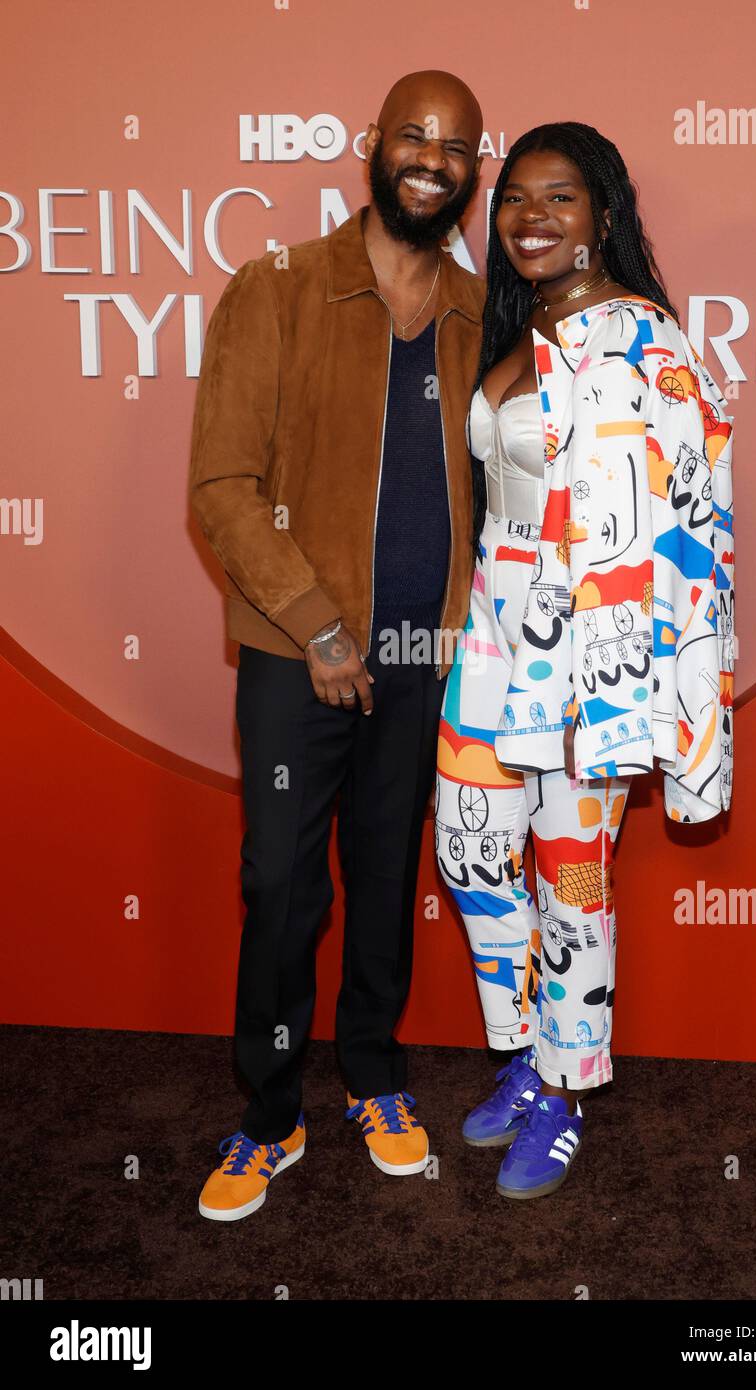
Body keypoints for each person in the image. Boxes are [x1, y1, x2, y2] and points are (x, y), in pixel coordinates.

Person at [189, 70, 486, 1221]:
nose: (430, 156)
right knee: (278, 885)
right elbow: (221, 484)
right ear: (371, 145)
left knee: (382, 877)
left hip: (423, 659)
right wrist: (316, 623)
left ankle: (372, 1076)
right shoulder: (276, 289)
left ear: (472, 169)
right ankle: (266, 1114)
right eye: (412, 133)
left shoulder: (474, 315)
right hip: (291, 649)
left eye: (454, 145)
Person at [434, 122, 735, 1200]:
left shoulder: (643, 339)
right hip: (488, 633)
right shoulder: (508, 331)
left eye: (558, 198)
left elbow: (694, 516)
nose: (530, 218)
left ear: (602, 213)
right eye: (513, 198)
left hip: (589, 655)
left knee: (571, 881)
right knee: (472, 858)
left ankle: (562, 1088)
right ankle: (524, 1047)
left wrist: (661, 686)